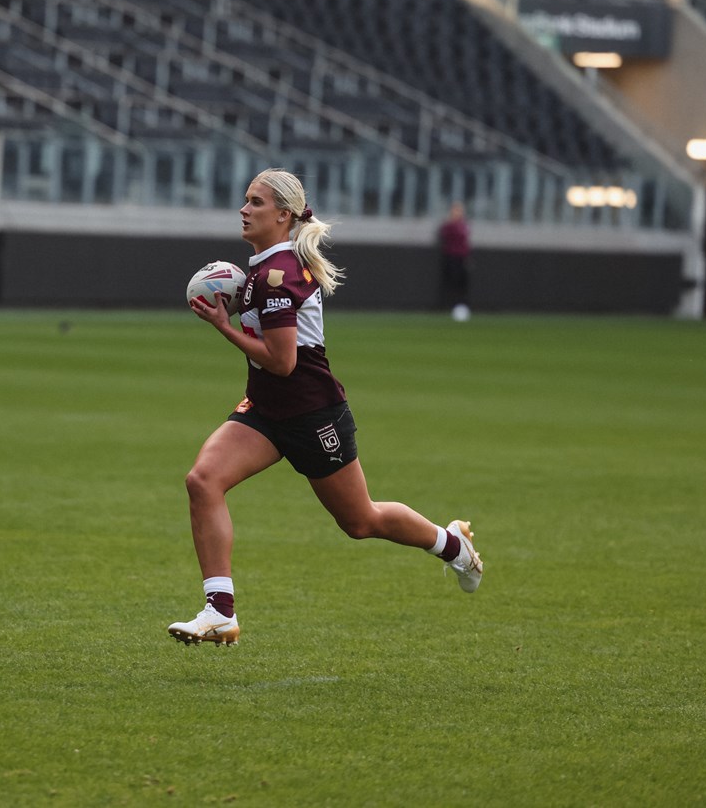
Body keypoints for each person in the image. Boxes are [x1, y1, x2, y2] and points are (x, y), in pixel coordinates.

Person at [169, 168, 483, 646]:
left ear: (283, 215)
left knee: (361, 521)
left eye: (256, 202)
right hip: (266, 410)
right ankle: (220, 612)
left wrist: (223, 327)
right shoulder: (262, 271)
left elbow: (282, 362)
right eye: (246, 200)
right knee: (203, 481)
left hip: (313, 416)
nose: (244, 209)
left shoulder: (277, 276)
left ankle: (452, 545)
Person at [438, 200, 472, 321]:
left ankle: (462, 306)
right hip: (451, 257)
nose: (458, 213)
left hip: (462, 257)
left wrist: (467, 257)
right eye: (456, 210)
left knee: (463, 283)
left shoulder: (464, 225)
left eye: (460, 210)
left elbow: (465, 243)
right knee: (452, 282)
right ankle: (450, 306)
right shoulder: (449, 225)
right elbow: (444, 237)